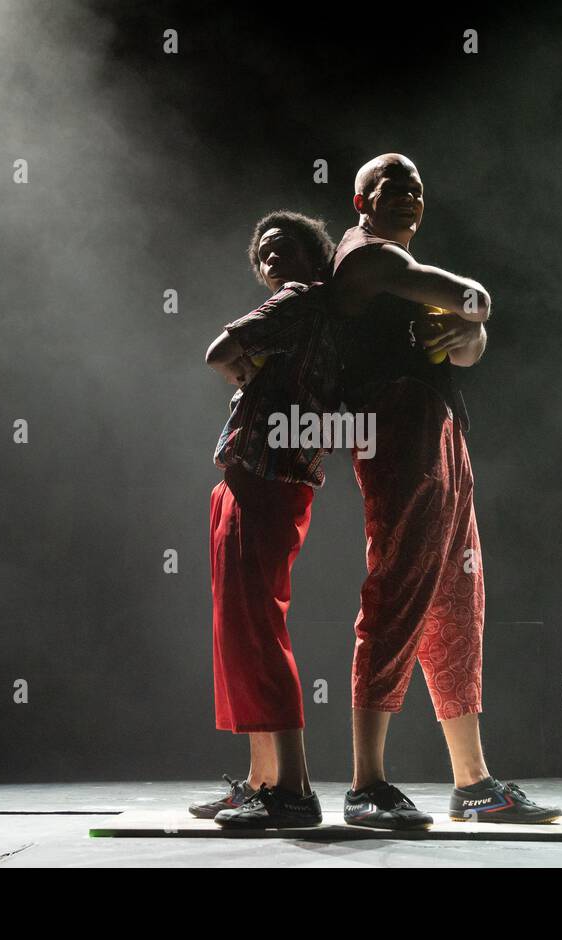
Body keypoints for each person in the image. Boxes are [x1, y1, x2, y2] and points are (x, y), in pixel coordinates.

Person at [329, 153, 562, 828]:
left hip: (442, 430)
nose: (407, 195)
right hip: (398, 431)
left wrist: (471, 330)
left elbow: (468, 343)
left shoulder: (401, 276)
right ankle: (365, 783)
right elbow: (469, 297)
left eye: (416, 188)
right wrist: (474, 311)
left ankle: (474, 783)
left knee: (457, 606)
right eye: (392, 185)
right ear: (360, 198)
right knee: (398, 591)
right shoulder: (367, 259)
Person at [192, 210, 340, 828]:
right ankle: (260, 781)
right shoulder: (312, 314)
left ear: (313, 259)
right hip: (253, 479)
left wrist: (244, 372)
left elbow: (218, 352)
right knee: (240, 630)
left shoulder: (300, 300)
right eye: (265, 252)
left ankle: (295, 791)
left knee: (257, 626)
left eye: (287, 246)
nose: (274, 255)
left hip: (269, 479)